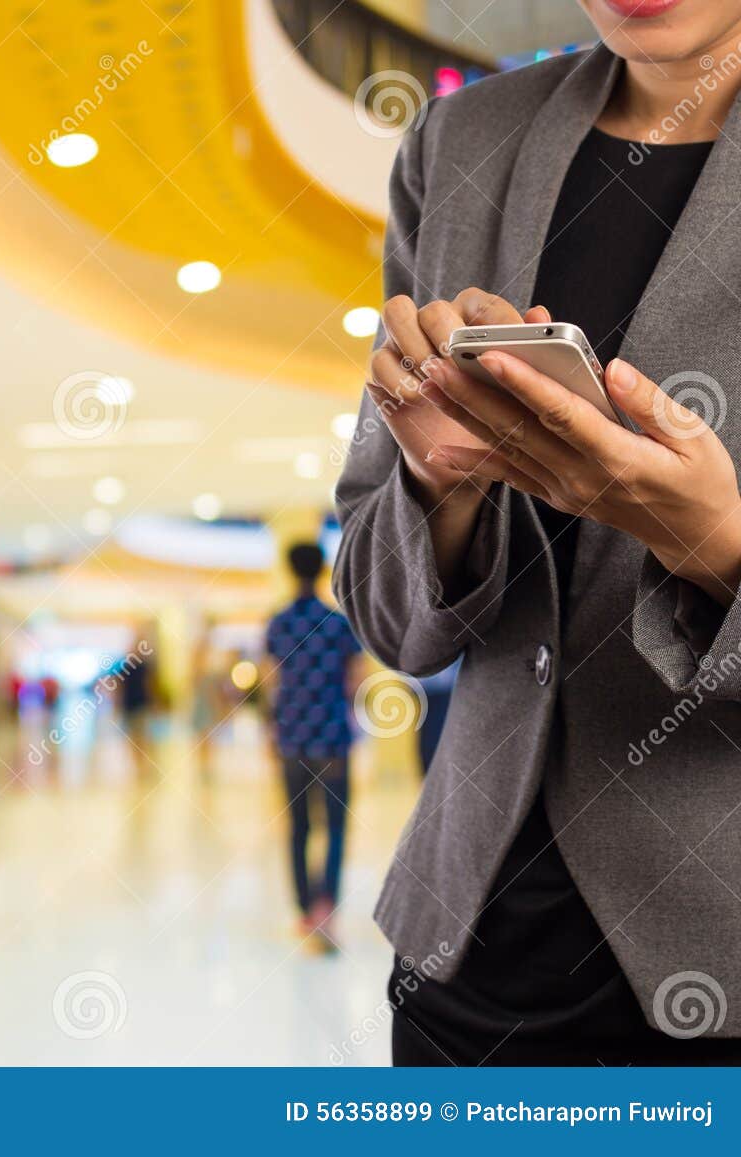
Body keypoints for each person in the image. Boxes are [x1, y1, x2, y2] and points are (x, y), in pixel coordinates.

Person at [335, 0, 741, 1064]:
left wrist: (714, 542)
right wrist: (437, 482)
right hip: (476, 952)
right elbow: (388, 616)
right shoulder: (462, 140)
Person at [263, 542, 362, 948]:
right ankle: (326, 907)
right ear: (323, 571)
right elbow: (354, 681)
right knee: (336, 826)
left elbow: (273, 681)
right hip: (333, 734)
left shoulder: (279, 622)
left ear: (289, 571)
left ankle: (305, 911)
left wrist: (272, 730)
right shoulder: (338, 623)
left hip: (293, 735)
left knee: (299, 827)